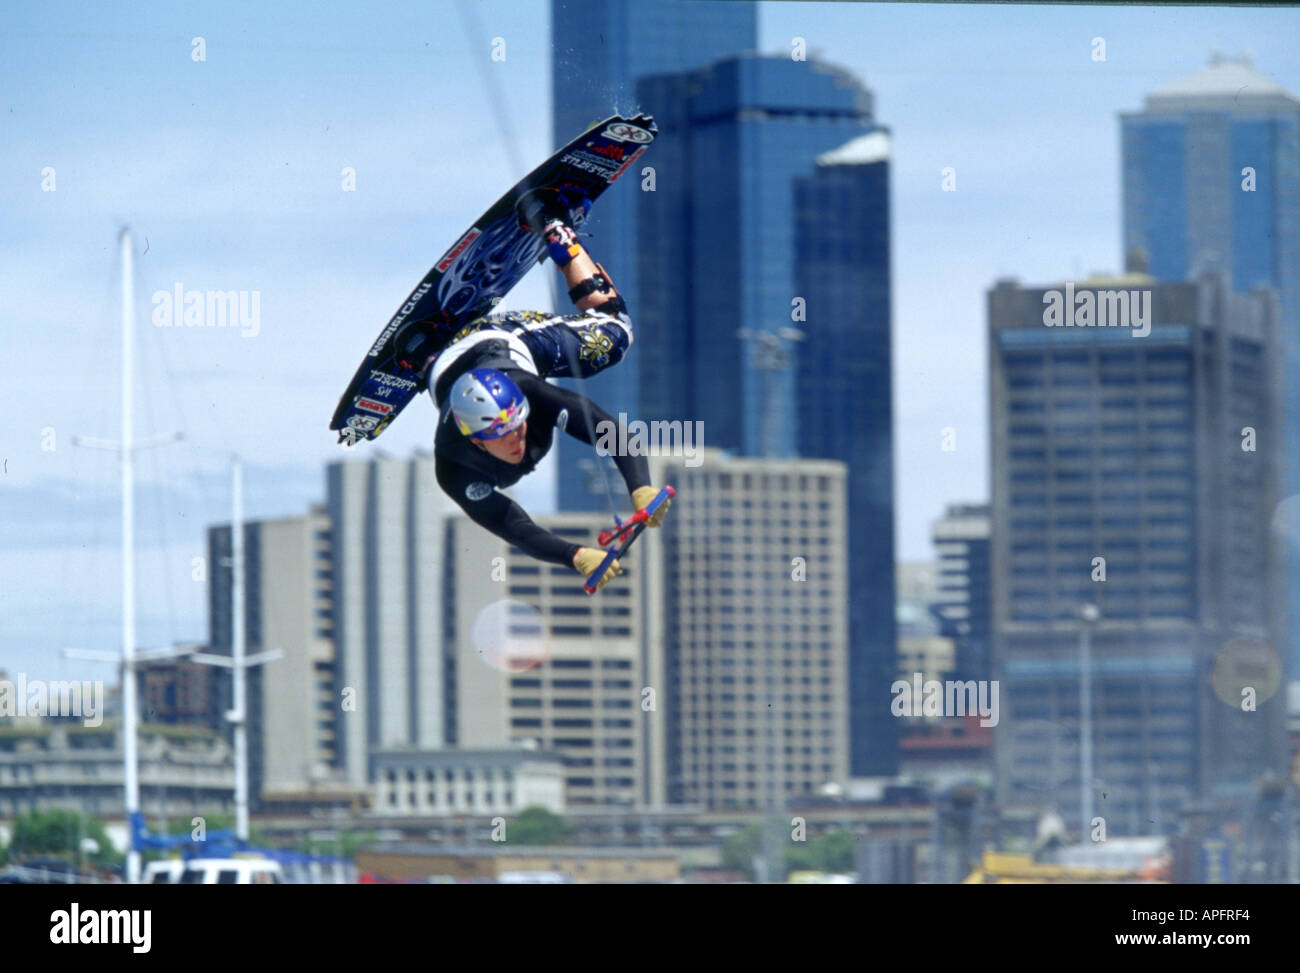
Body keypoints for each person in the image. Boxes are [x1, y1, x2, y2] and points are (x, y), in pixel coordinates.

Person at [399, 191, 670, 591]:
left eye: (517, 425)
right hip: (464, 355)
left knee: (611, 340)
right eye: (500, 434)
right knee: (617, 333)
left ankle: (552, 227)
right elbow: (515, 527)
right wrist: (575, 554)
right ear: (473, 439)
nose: (516, 437)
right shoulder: (452, 467)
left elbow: (606, 428)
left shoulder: (526, 393)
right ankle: (425, 353)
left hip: (506, 345)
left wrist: (641, 487)